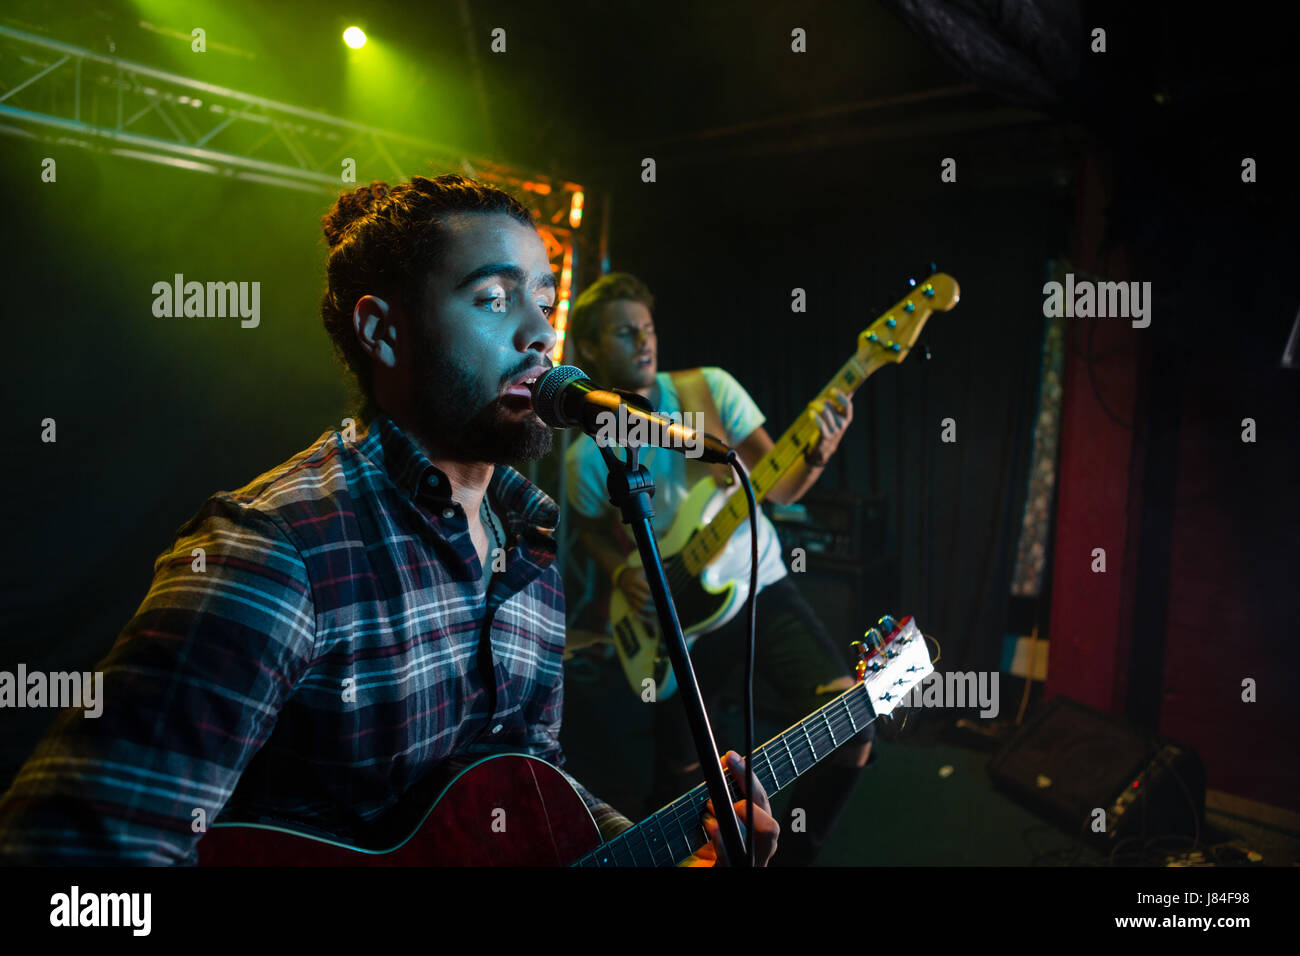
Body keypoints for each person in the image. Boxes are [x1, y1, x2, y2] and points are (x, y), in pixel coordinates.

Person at [0, 175, 775, 867]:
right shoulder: (278, 548)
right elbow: (70, 847)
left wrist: (661, 847)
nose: (541, 332)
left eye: (543, 298)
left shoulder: (527, 541)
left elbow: (531, 785)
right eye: (493, 299)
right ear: (382, 330)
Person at [564, 272, 874, 866]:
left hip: (760, 587)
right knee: (681, 785)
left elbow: (779, 486)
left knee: (854, 729)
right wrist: (620, 572)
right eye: (626, 333)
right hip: (670, 624)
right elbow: (590, 534)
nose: (644, 342)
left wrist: (816, 452)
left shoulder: (710, 390)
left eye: (649, 329)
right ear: (593, 350)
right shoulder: (584, 457)